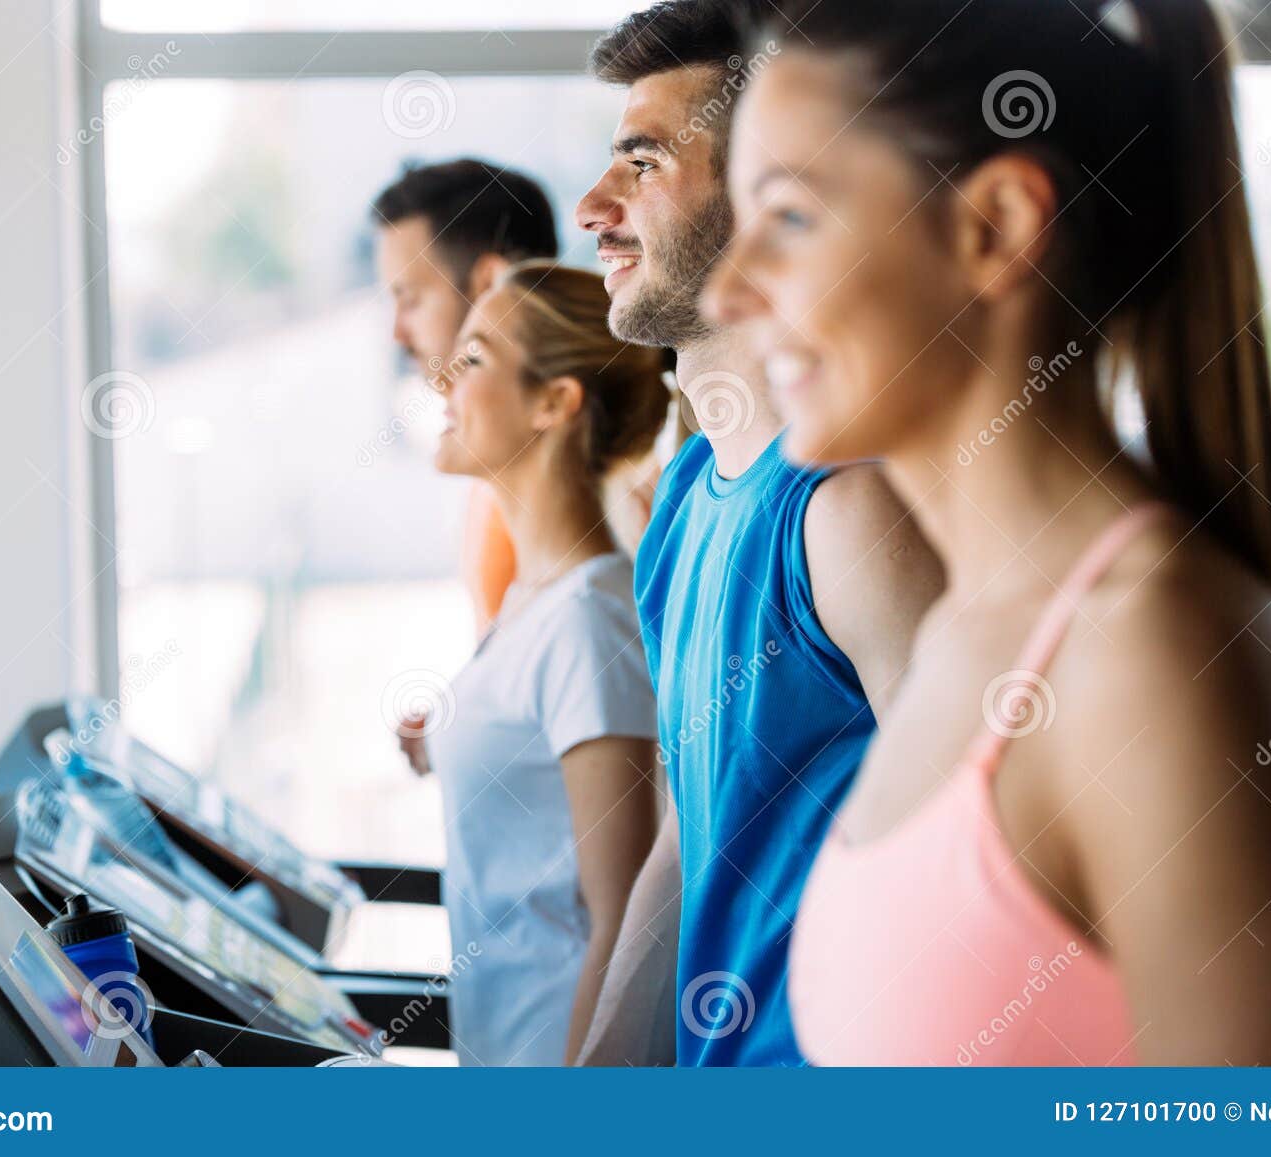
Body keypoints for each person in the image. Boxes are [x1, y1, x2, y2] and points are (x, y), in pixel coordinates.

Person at [707, 0, 1271, 1065]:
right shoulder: (966, 628)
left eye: (789, 218)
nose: (728, 290)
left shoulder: (1148, 648)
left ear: (994, 226)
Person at [572, 0, 944, 1067]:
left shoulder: (851, 509)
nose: (594, 207)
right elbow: (691, 842)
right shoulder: (684, 505)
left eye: (641, 163)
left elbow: (976, 877)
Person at [395, 262, 670, 1066]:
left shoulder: (587, 619)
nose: (444, 376)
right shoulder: (533, 595)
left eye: (474, 357)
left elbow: (621, 920)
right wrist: (442, 740)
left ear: (555, 401)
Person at [372, 159, 558, 635]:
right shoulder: (490, 466)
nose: (397, 334)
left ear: (490, 284)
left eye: (410, 298)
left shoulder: (579, 486)